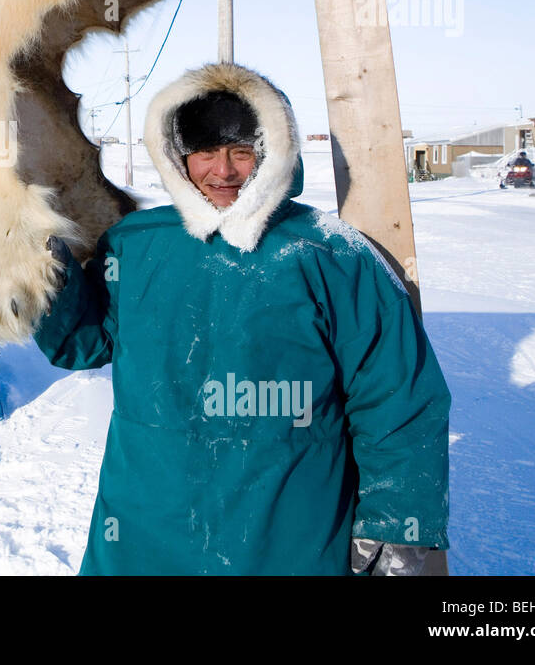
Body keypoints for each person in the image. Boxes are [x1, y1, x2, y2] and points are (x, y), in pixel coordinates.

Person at [34, 62, 451, 575]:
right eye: (204, 152)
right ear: (176, 157)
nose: (223, 171)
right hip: (149, 523)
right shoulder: (136, 244)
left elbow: (397, 395)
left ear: (273, 153)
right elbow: (81, 345)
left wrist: (397, 520)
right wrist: (40, 267)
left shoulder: (332, 254)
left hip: (288, 528)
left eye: (241, 151)